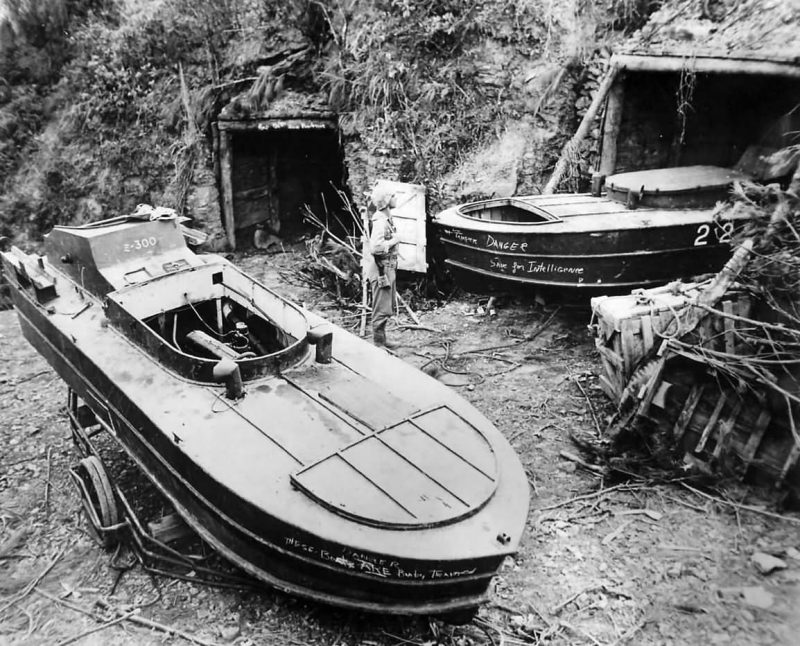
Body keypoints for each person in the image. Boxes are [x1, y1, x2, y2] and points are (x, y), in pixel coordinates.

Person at [365, 185, 400, 348]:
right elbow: (375, 248)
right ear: (386, 201)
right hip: (382, 269)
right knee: (380, 308)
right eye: (393, 195)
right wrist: (395, 240)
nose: (396, 198)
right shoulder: (380, 221)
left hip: (388, 267)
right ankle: (379, 344)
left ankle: (383, 340)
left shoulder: (386, 217)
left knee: (386, 306)